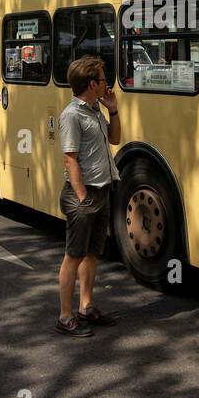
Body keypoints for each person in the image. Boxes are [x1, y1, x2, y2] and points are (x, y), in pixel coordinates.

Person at [55, 55, 121, 337]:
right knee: (73, 255)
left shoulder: (95, 110)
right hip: (83, 195)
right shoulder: (72, 115)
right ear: (93, 84)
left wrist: (114, 111)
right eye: (104, 80)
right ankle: (65, 316)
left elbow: (115, 139)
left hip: (101, 190)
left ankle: (86, 306)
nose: (108, 84)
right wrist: (82, 198)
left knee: (92, 254)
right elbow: (70, 160)